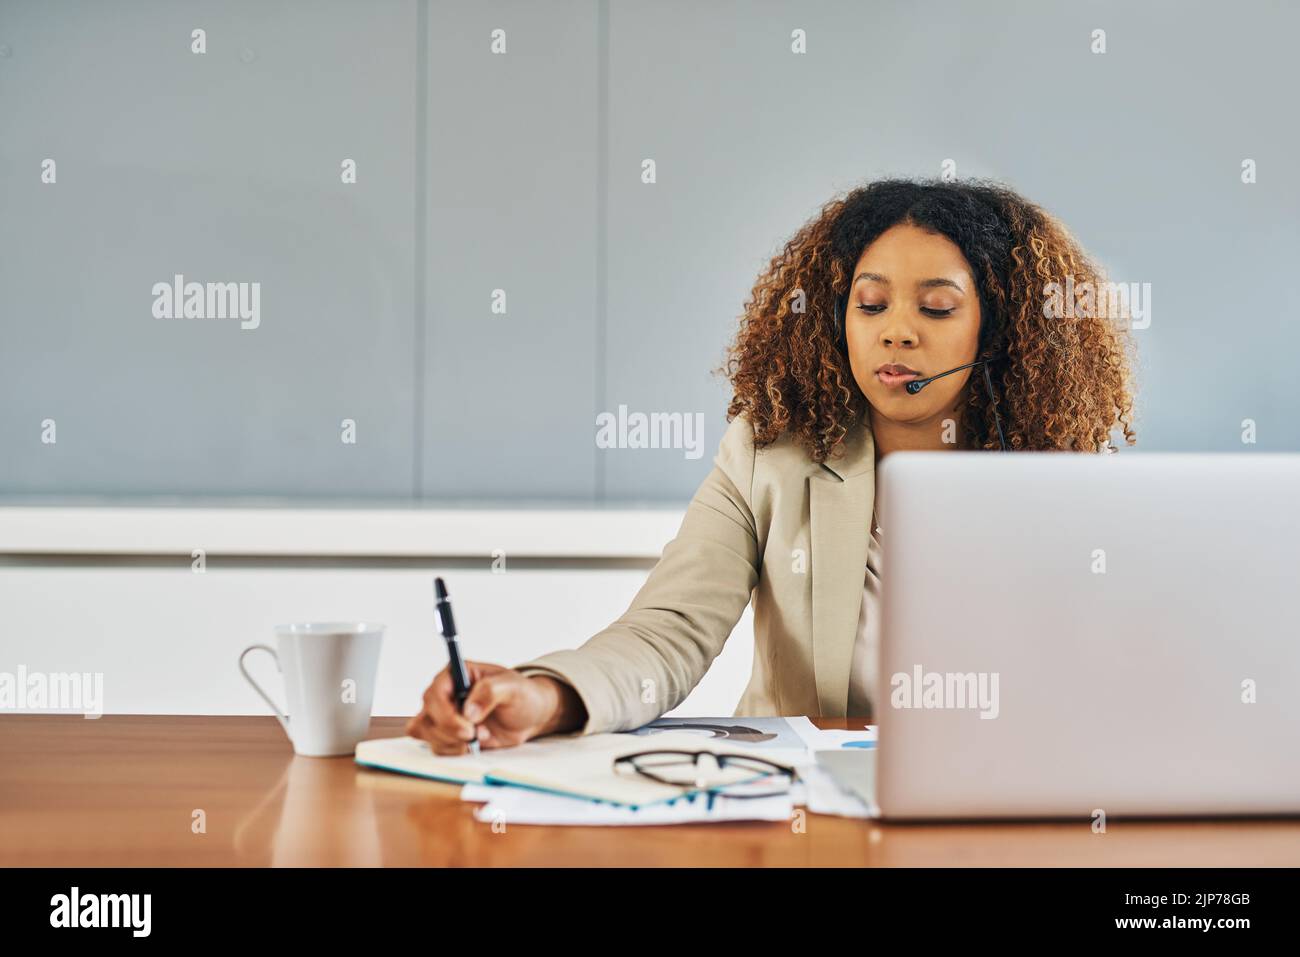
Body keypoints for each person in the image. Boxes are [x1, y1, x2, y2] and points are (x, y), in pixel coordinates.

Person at [406, 177, 1138, 755]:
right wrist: (546, 695)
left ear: (1001, 330)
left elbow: (1116, 676)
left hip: (992, 802)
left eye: (938, 309)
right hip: (797, 810)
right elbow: (667, 632)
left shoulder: (1066, 477)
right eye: (870, 304)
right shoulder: (768, 453)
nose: (897, 332)